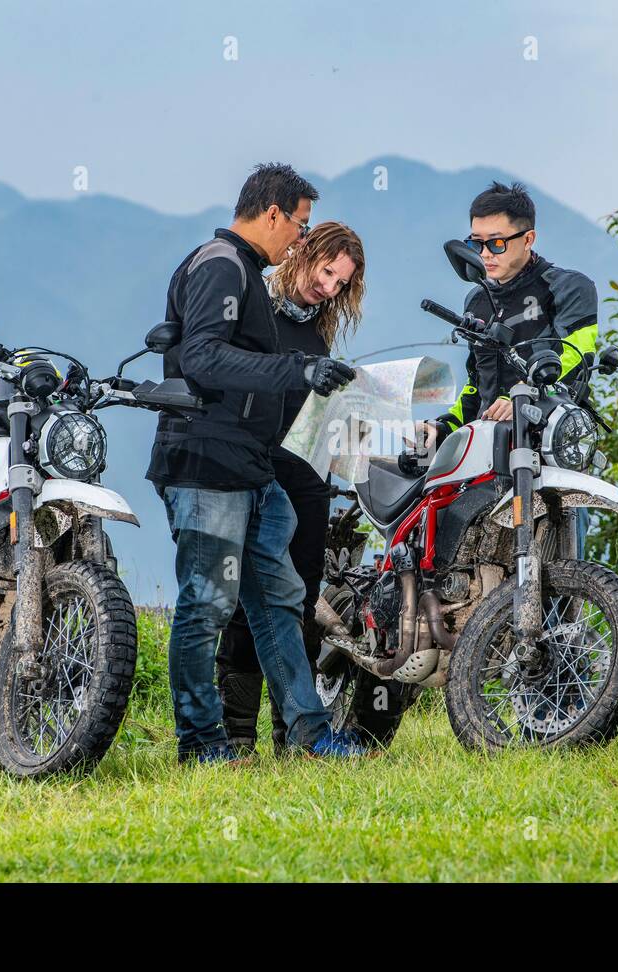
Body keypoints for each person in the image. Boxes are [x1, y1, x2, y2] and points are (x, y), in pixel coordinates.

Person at [147, 163, 366, 764]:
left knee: (280, 598)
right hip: (205, 462)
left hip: (253, 470)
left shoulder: (249, 274)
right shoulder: (221, 263)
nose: (300, 237)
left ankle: (309, 734)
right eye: (299, 223)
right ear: (272, 213)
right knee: (208, 603)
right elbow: (204, 358)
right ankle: (202, 742)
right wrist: (296, 370)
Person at [215, 221, 365, 755]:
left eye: (342, 284)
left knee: (300, 601)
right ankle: (235, 734)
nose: (329, 288)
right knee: (241, 603)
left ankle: (293, 735)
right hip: (258, 474)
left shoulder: (319, 331)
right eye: (327, 273)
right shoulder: (259, 315)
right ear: (302, 253)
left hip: (310, 481)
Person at [417, 180, 599, 555]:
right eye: (476, 243)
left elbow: (576, 354)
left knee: (563, 544)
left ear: (528, 238)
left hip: (547, 445)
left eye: (496, 242)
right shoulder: (477, 300)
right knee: (440, 538)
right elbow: (475, 387)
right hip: (487, 448)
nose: (485, 253)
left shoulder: (567, 287)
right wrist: (444, 426)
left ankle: (570, 612)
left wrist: (525, 392)